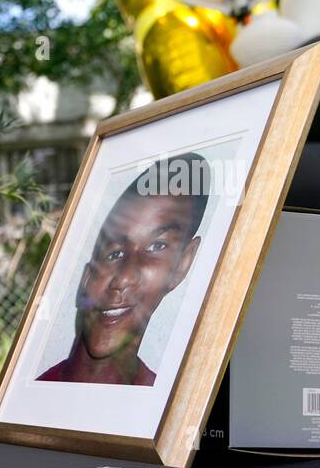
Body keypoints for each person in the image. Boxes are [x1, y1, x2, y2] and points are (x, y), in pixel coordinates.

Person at [37, 153, 209, 386]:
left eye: (156, 246)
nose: (123, 278)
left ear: (182, 264)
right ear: (86, 279)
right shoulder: (26, 401)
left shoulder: (166, 410)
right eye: (114, 253)